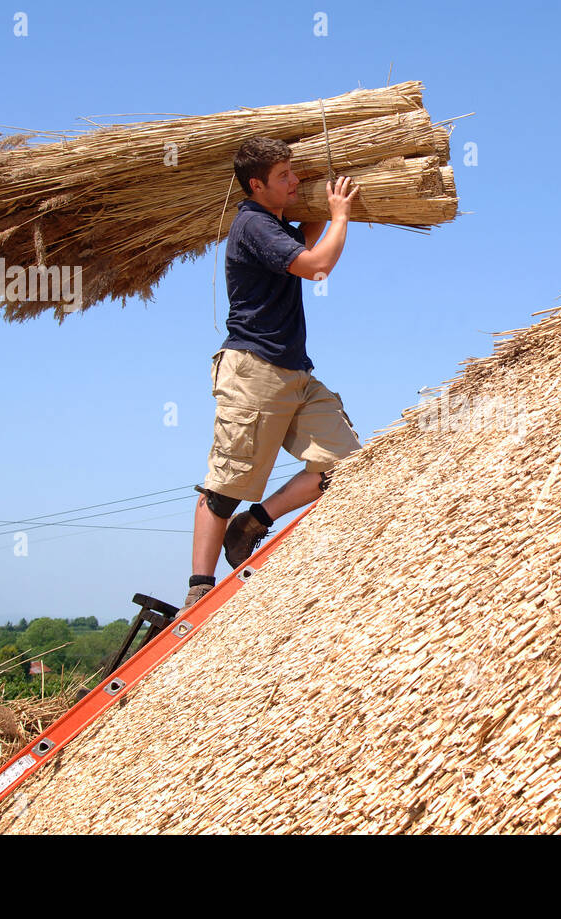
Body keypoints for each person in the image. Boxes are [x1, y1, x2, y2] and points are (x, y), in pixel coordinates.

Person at [183, 136, 362, 611]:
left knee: (346, 466)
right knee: (225, 487)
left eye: (294, 172)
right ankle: (199, 587)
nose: (294, 180)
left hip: (297, 373)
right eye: (284, 175)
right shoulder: (252, 225)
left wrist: (321, 205)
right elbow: (317, 265)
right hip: (254, 370)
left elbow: (304, 239)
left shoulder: (273, 227)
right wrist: (342, 214)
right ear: (257, 184)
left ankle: (257, 519)